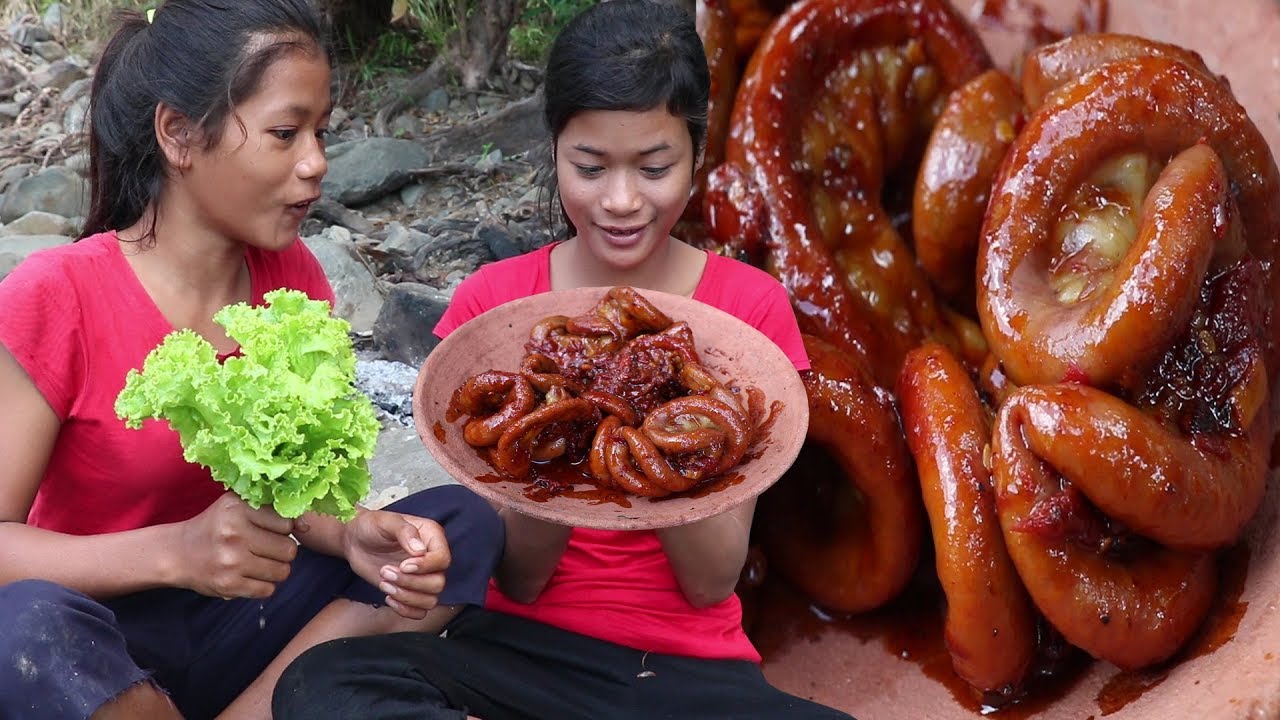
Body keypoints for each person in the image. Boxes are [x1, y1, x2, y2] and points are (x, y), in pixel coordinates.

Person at [271, 2, 854, 718]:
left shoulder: (748, 312)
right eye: (590, 165)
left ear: (697, 156)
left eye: (654, 166)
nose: (620, 200)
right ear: (554, 151)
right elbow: (519, 578)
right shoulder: (497, 302)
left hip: (681, 672)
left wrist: (655, 406)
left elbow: (709, 583)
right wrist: (556, 429)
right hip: (511, 654)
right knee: (323, 686)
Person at [0, 2, 503, 719]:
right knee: (22, 630)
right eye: (284, 133)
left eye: (321, 132)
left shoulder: (294, 280)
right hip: (104, 632)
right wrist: (178, 552)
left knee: (461, 526)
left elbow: (288, 493)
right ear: (179, 133)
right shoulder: (57, 295)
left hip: (246, 617)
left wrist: (352, 533)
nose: (316, 163)